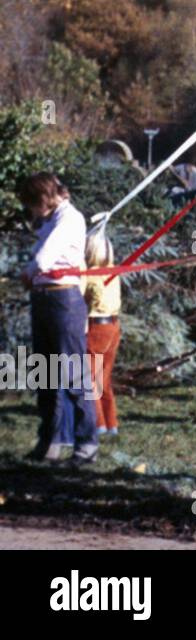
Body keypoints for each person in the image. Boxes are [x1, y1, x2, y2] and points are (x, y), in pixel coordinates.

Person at [17, 172, 98, 466]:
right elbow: (40, 250)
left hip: (63, 301)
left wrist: (30, 271)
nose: (31, 212)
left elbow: (46, 255)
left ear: (43, 198)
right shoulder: (51, 218)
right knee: (45, 372)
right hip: (44, 299)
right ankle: (50, 441)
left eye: (32, 204)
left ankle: (86, 443)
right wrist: (31, 271)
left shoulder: (70, 218)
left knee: (73, 372)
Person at [83, 228, 122, 438]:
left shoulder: (89, 275)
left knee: (90, 379)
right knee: (104, 379)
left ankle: (97, 424)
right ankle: (111, 422)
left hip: (96, 327)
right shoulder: (113, 272)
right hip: (114, 327)